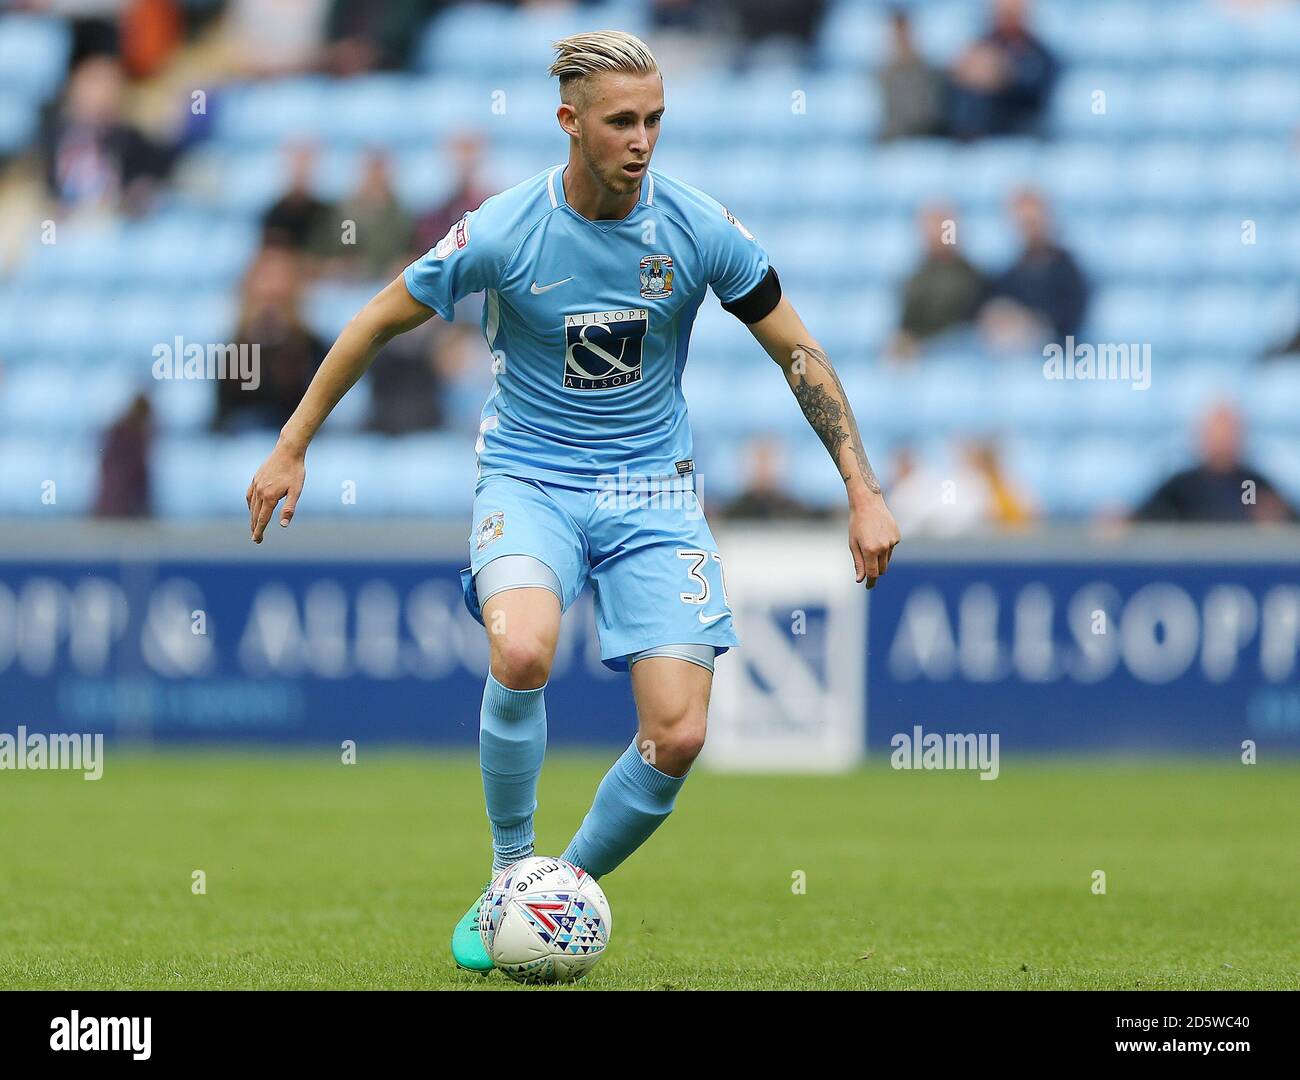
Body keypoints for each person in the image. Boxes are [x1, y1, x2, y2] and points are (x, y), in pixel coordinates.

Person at [244, 30, 900, 975]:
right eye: (622, 122)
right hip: (531, 478)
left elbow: (797, 350)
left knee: (678, 732)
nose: (643, 140)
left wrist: (862, 489)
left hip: (653, 492)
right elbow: (375, 318)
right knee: (520, 647)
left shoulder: (697, 226)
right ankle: (511, 873)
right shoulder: (508, 229)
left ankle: (555, 891)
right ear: (571, 123)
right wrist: (293, 444)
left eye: (656, 121)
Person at [1133, 403, 1294, 524]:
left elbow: (1285, 518)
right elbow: (1147, 517)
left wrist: (1275, 517)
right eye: (1216, 433)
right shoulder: (1181, 486)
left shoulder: (1252, 483)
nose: (1222, 440)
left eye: (1229, 433)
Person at [981, 188, 1088, 349]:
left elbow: (1071, 317)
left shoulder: (1066, 269)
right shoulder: (1011, 273)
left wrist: (1034, 322)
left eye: (1033, 222)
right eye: (1023, 223)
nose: (1030, 230)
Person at [947, 0, 1057, 140]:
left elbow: (1037, 91)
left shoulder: (1039, 53)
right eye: (1003, 13)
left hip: (1020, 128)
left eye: (1012, 13)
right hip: (981, 129)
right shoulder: (979, 47)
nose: (1007, 18)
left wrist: (1001, 75)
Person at [890, 203, 987, 359]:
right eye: (932, 225)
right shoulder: (915, 281)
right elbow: (907, 329)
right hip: (927, 357)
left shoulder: (975, 277)